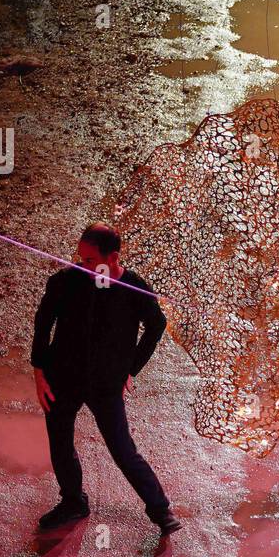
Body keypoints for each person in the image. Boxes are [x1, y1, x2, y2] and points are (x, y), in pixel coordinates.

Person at [30, 222, 181, 536]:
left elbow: (157, 326)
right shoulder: (65, 282)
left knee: (123, 449)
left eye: (88, 259)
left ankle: (160, 509)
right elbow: (43, 324)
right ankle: (73, 501)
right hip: (62, 377)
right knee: (60, 443)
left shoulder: (135, 290)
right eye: (80, 257)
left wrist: (130, 368)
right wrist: (39, 373)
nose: (81, 265)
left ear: (112, 257)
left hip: (105, 384)